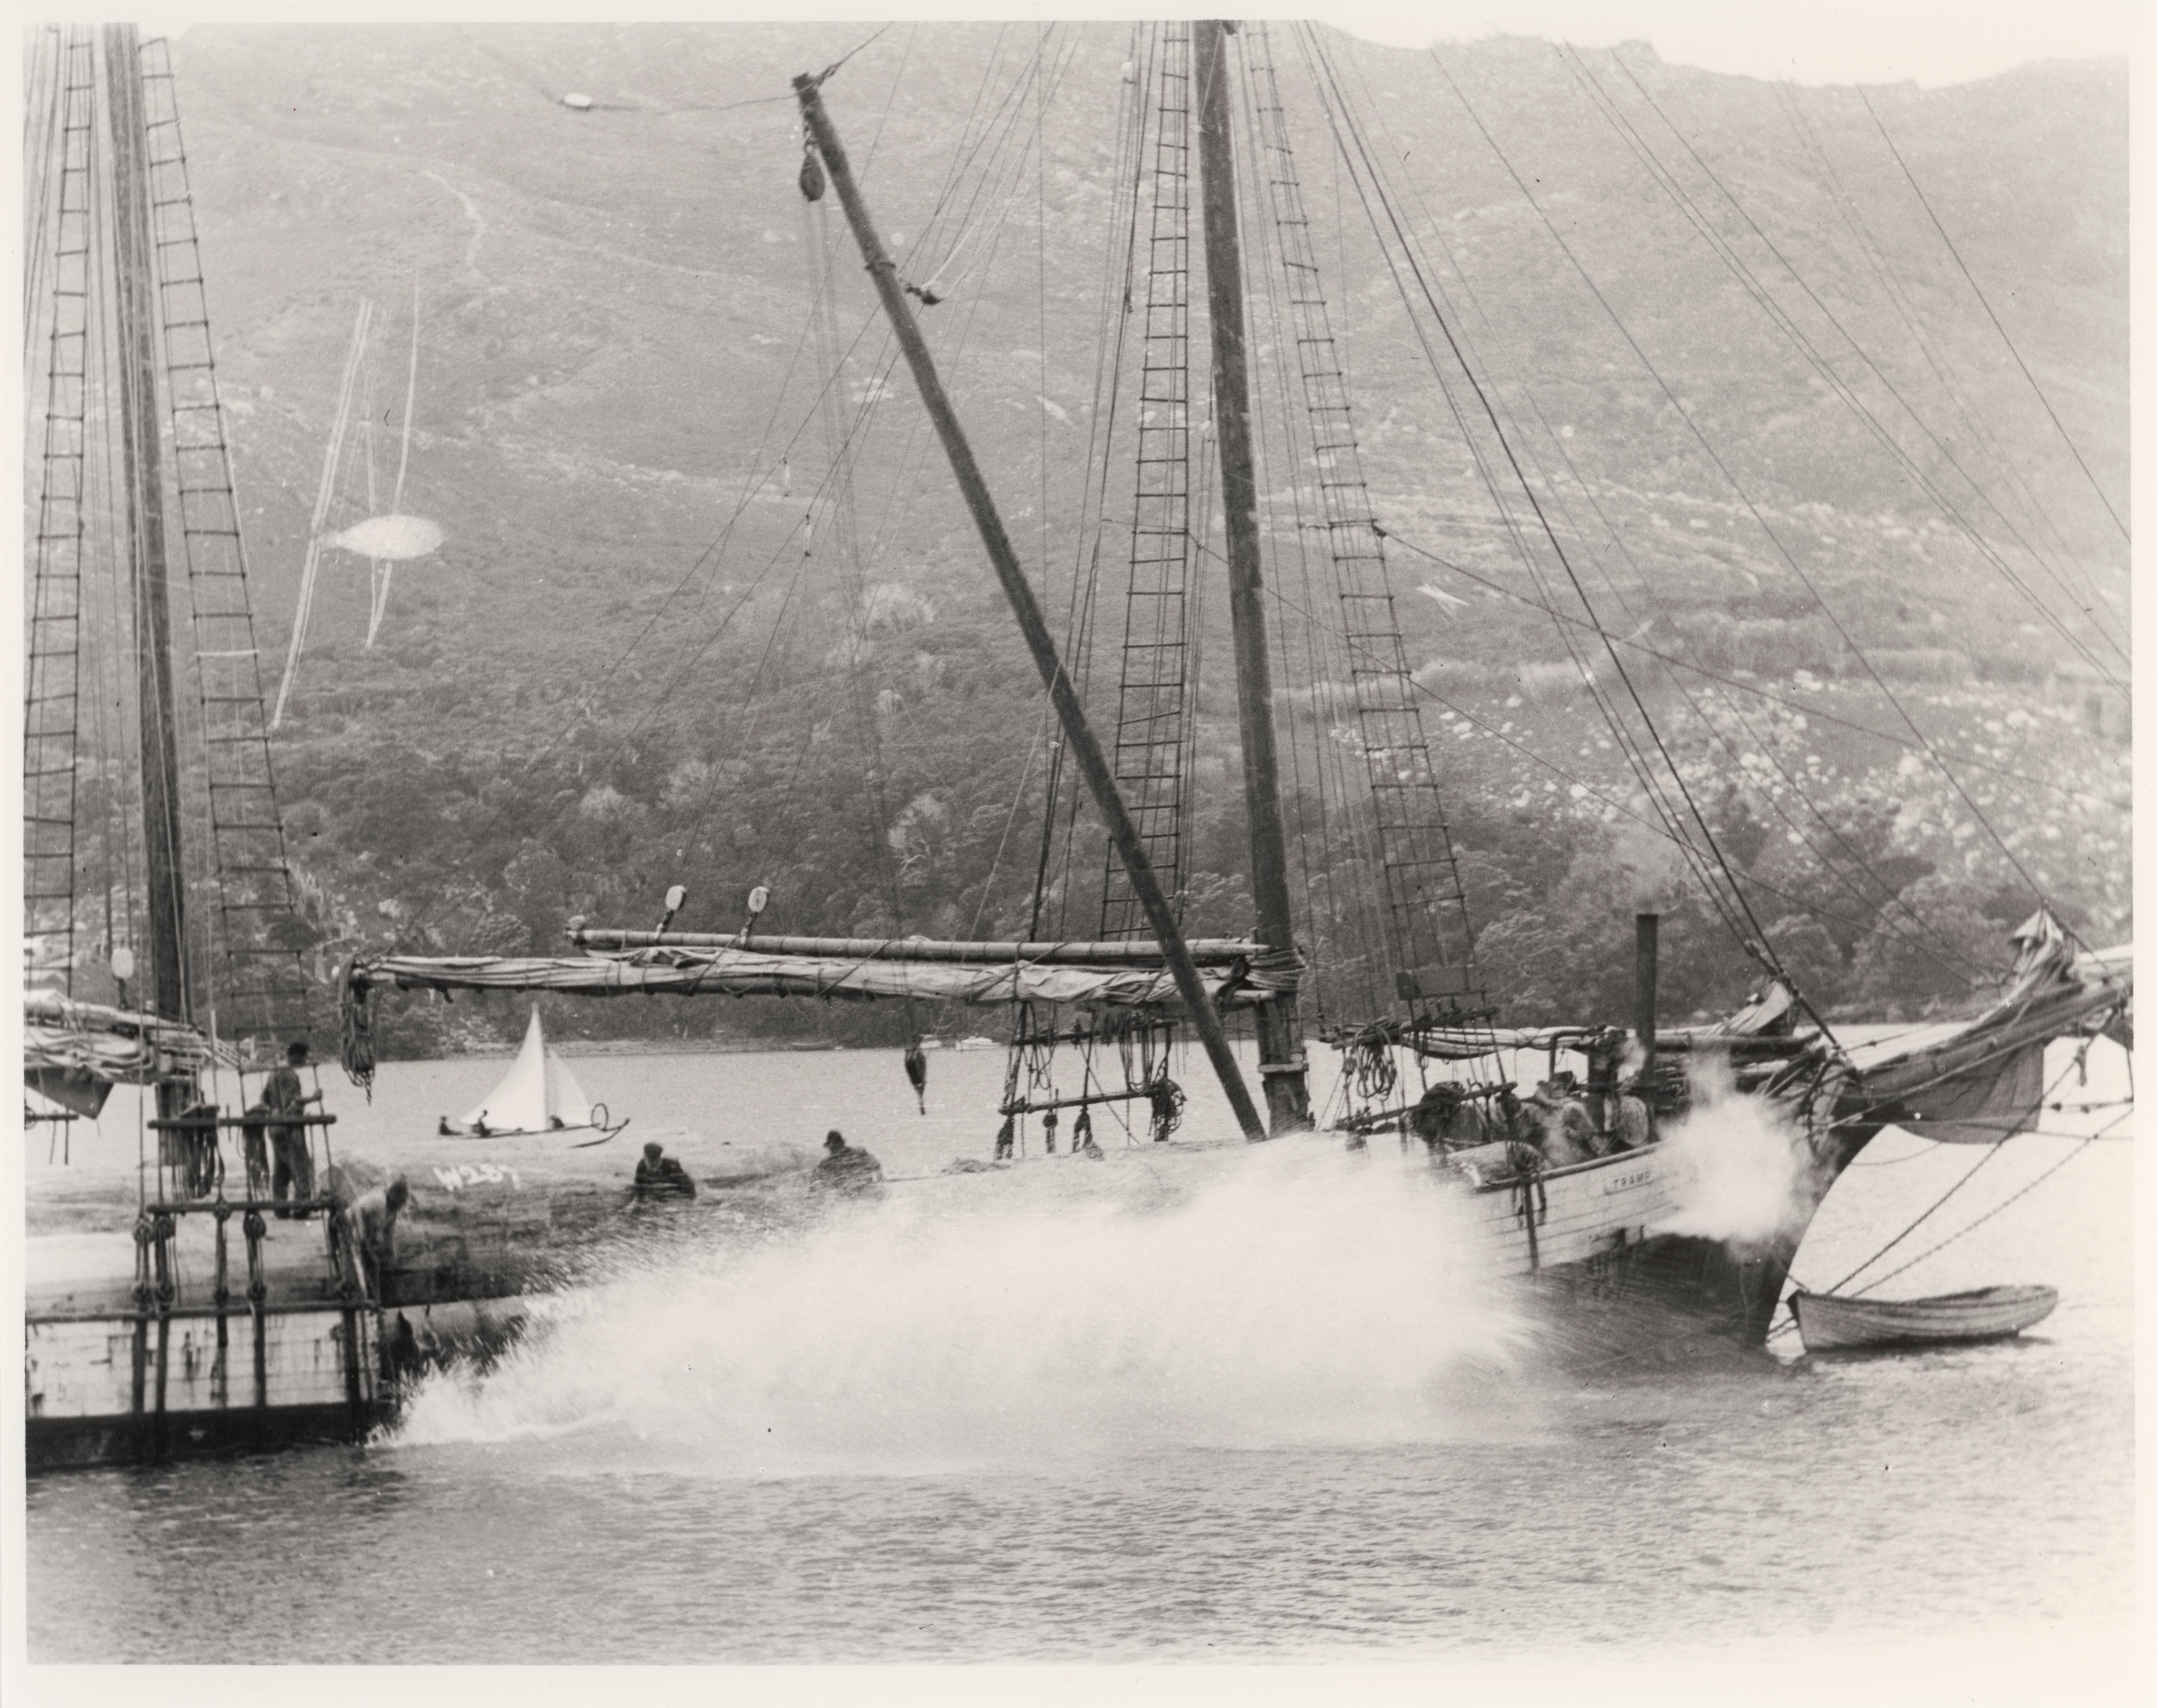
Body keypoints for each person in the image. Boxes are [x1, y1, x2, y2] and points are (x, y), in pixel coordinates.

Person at [265, 1041, 323, 1217]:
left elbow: (265, 1098)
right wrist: (313, 1099)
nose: (305, 1061)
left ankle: (281, 1208)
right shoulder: (287, 1074)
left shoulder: (274, 1072)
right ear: (296, 1056)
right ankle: (301, 1207)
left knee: (282, 1169)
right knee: (301, 1165)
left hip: (275, 1127)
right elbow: (292, 1101)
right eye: (304, 1058)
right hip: (289, 1127)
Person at [341, 1173, 410, 1303]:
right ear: (394, 1196)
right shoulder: (379, 1200)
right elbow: (358, 1208)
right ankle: (354, 1296)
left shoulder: (392, 1212)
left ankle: (376, 1303)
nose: (403, 1205)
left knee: (373, 1265)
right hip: (347, 1228)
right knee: (356, 1267)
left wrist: (391, 1253)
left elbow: (388, 1235)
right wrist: (361, 1230)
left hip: (363, 1239)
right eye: (402, 1201)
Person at [810, 1129, 883, 1195]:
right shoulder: (860, 1152)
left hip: (847, 1193)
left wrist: (812, 1190)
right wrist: (879, 1181)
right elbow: (877, 1166)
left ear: (831, 1147)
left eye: (832, 1148)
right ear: (843, 1143)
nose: (831, 1150)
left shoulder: (827, 1162)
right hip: (865, 1188)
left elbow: (815, 1178)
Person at [633, 1141, 697, 1200]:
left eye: (656, 1160)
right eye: (650, 1161)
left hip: (671, 1197)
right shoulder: (642, 1166)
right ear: (645, 1157)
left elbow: (690, 1192)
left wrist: (670, 1195)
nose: (653, 1164)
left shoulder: (672, 1166)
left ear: (660, 1158)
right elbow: (638, 1188)